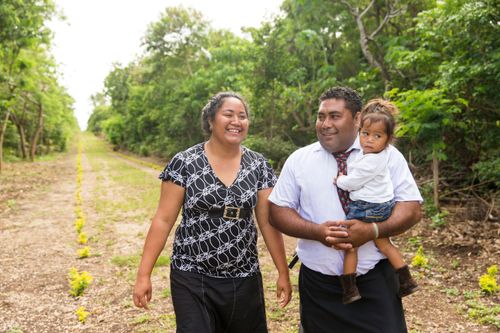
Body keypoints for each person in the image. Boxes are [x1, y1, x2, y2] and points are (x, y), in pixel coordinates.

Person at [133, 92, 292, 333]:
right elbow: (163, 220)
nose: (236, 121)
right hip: (192, 274)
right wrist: (144, 274)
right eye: (228, 114)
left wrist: (282, 271)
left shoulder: (259, 165)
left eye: (242, 116)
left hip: (244, 275)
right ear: (210, 120)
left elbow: (268, 223)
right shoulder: (185, 162)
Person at [269, 86, 422, 332]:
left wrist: (372, 230)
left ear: (358, 118)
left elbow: (412, 208)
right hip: (319, 288)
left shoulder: (386, 155)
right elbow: (277, 212)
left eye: (335, 116)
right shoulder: (299, 160)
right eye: (321, 116)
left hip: (374, 281)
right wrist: (318, 232)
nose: (325, 123)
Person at [334, 99, 419, 304]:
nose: (369, 140)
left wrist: (339, 180)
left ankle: (349, 289)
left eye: (377, 136)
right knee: (384, 243)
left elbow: (353, 182)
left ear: (388, 139)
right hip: (381, 207)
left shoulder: (372, 160)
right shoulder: (382, 154)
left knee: (350, 245)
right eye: (365, 134)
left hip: (366, 208)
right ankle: (406, 280)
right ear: (359, 130)